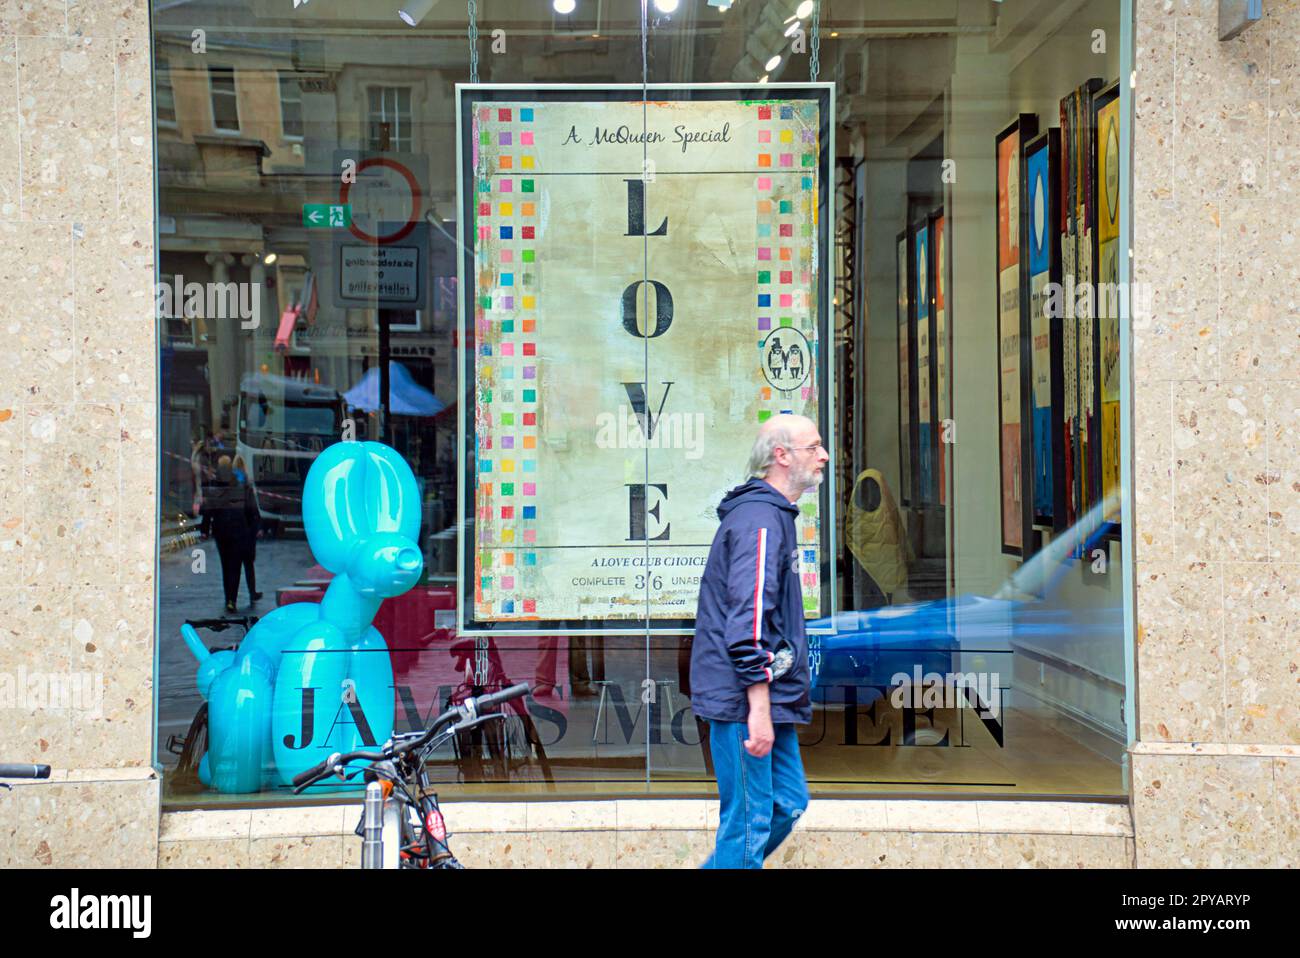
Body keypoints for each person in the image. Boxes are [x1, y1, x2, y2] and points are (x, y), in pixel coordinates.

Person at [691, 413, 828, 869]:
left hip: (769, 695)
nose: (823, 455)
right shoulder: (760, 521)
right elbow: (747, 623)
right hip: (743, 700)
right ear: (781, 456)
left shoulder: (773, 516)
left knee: (786, 804)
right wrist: (760, 710)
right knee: (747, 824)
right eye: (814, 447)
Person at [201, 456, 262, 613]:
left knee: (226, 566)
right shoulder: (241, 484)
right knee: (234, 566)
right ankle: (231, 600)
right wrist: (254, 528)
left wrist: (204, 529)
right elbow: (251, 510)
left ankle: (229, 598)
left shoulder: (215, 486)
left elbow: (208, 510)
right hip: (238, 530)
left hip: (221, 532)